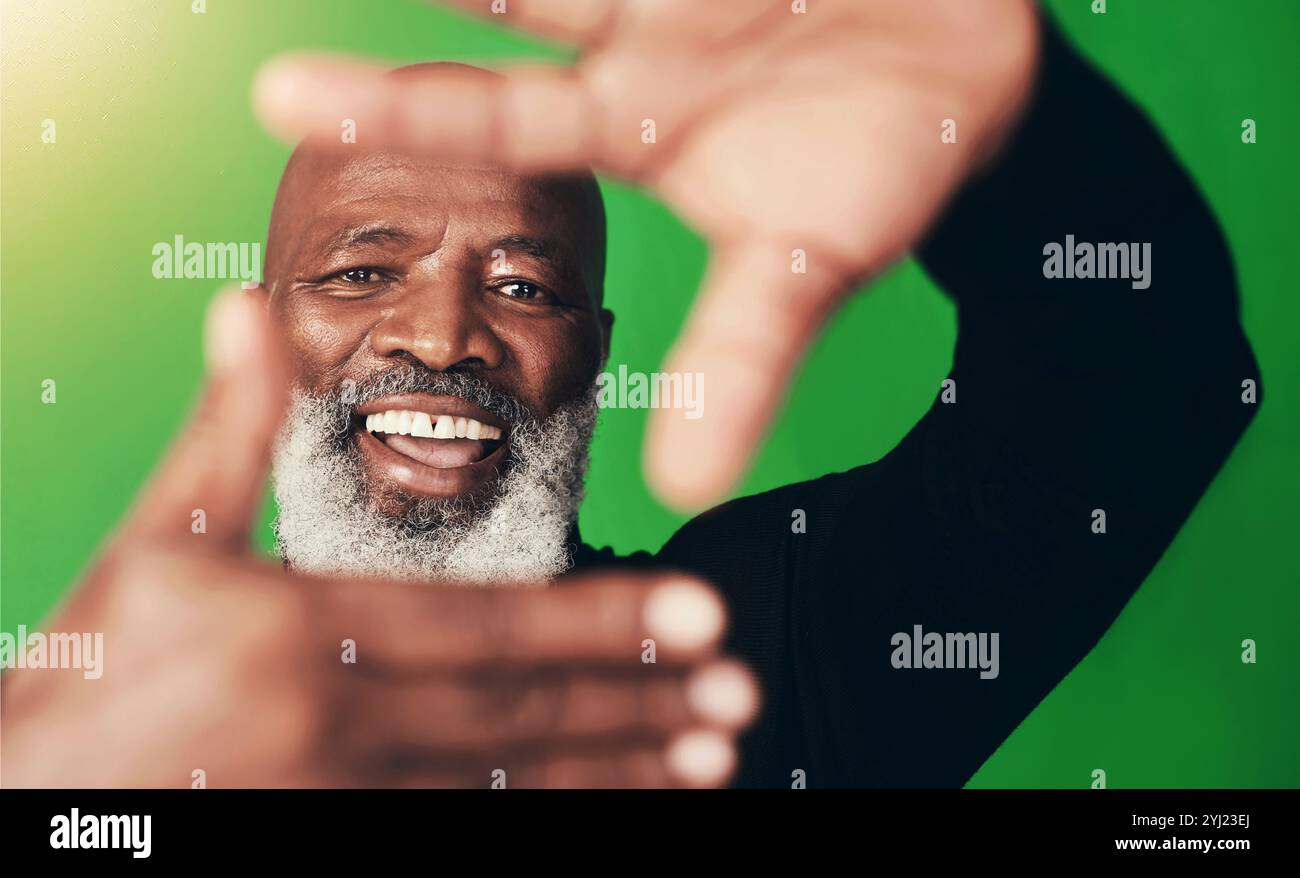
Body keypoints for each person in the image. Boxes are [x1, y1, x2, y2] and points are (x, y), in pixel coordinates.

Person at [2, 1, 1258, 788]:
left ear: (596, 355)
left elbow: (1133, 394)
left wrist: (1014, 141)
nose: (443, 335)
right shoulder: (97, 720)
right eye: (362, 268)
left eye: (524, 287)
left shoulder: (741, 651)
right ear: (264, 318)